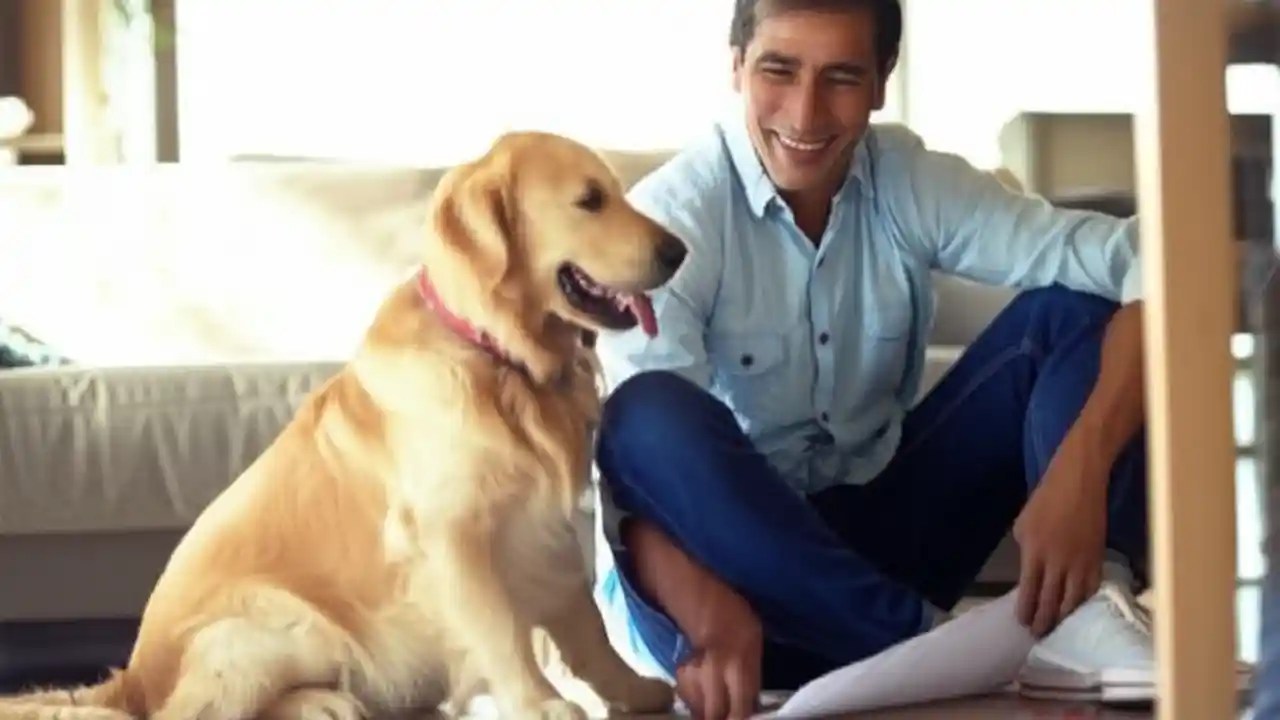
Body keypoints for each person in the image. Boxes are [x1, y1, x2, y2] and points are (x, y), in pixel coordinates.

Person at [588, 1, 1157, 718]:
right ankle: (933, 645)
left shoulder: (905, 180)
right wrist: (709, 619)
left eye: (842, 78)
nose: (805, 112)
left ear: (882, 81)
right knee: (644, 416)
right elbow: (644, 484)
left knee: (1069, 313)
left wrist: (1083, 463)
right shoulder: (675, 220)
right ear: (735, 67)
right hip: (734, 604)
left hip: (882, 549)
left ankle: (1084, 611)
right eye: (778, 70)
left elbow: (1145, 261)